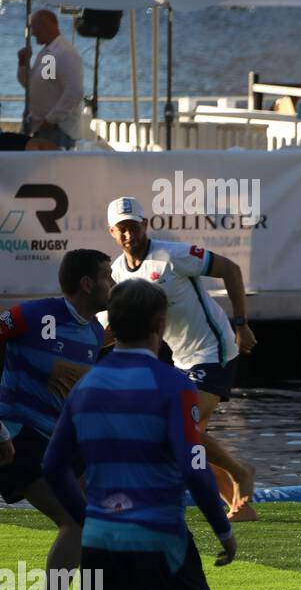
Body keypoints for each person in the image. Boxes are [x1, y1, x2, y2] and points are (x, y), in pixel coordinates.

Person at [42, 280, 236, 590]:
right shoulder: (174, 385)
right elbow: (194, 467)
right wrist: (224, 528)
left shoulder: (87, 385)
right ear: (160, 325)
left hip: (104, 541)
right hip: (159, 540)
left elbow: (52, 466)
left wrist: (89, 517)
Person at [105, 196, 258, 521]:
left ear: (145, 225)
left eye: (134, 226)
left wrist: (241, 323)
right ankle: (238, 505)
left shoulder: (174, 255)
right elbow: (116, 325)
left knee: (181, 429)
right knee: (186, 440)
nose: (129, 234)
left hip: (214, 351)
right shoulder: (118, 271)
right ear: (112, 233)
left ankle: (241, 471)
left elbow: (230, 269)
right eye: (122, 229)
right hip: (182, 361)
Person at [0, 250, 112, 590]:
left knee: (99, 511)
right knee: (77, 521)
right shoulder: (30, 315)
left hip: (58, 442)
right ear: (87, 284)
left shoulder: (96, 333)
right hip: (18, 436)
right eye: (107, 276)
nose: (112, 284)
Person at [16, 9, 84, 150]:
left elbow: (75, 91)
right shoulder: (49, 52)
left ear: (44, 25)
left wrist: (51, 119)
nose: (32, 33)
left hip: (57, 130)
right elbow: (35, 85)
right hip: (44, 128)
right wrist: (23, 64)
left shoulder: (65, 52)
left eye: (34, 27)